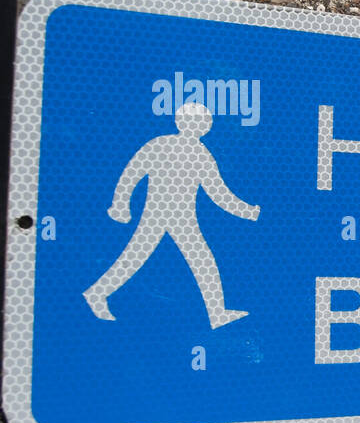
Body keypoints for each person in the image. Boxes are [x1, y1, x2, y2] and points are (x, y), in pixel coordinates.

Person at [84, 102, 260, 328]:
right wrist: (120, 204)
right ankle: (97, 293)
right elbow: (132, 173)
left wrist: (247, 211)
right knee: (139, 257)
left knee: (198, 259)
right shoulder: (168, 147)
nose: (204, 125)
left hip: (181, 218)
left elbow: (218, 193)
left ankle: (217, 313)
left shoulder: (195, 152)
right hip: (162, 214)